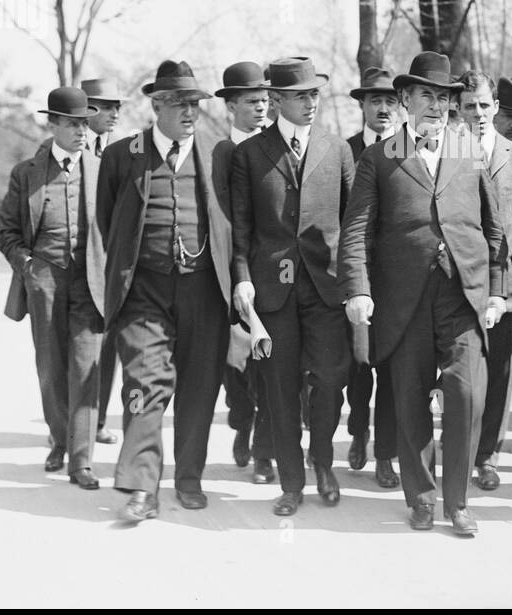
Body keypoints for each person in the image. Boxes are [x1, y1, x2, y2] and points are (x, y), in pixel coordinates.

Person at [339, 51, 506, 537]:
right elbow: (356, 232)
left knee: (466, 396)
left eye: (443, 97)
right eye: (426, 95)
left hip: (463, 296)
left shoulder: (469, 152)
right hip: (403, 301)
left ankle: (458, 501)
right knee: (410, 401)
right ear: (406, 100)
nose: (435, 105)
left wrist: (496, 292)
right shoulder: (379, 157)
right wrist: (358, 290)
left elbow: (495, 229)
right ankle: (422, 499)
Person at [97, 60, 232, 522]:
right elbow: (106, 219)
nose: (190, 111)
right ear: (156, 106)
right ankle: (142, 486)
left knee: (199, 386)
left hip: (205, 292)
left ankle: (189, 477)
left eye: (194, 103)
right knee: (144, 382)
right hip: (143, 292)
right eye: (178, 103)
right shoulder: (121, 156)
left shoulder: (221, 154)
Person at [230, 57, 355, 517]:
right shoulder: (250, 154)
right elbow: (241, 229)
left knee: (331, 379)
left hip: (327, 289)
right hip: (272, 293)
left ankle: (323, 461)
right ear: (277, 100)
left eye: (314, 94)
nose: (309, 103)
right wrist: (242, 280)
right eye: (300, 95)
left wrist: (355, 282)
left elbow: (352, 222)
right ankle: (292, 484)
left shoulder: (337, 149)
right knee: (279, 389)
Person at [0, 87, 106, 490]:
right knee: (51, 367)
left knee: (86, 367)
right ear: (53, 124)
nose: (81, 131)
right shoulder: (27, 173)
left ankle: (82, 460)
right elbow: (6, 230)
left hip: (90, 282)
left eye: (85, 124)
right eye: (73, 124)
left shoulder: (102, 167)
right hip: (45, 279)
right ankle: (59, 440)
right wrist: (27, 265)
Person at [458, 70, 512, 492]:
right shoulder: (444, 154)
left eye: (485, 105)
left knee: (502, 372)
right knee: (463, 372)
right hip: (462, 279)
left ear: (497, 108)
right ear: (458, 109)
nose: (479, 114)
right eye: (470, 106)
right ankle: (457, 449)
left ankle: (488, 457)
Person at [213, 61, 277, 485]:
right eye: (252, 101)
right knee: (234, 366)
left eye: (266, 100)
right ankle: (241, 421)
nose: (261, 108)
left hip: (272, 273)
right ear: (230, 106)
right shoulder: (217, 153)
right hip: (222, 274)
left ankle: (264, 453)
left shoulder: (278, 149)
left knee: (271, 363)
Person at [343, 66, 401, 489]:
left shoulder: (410, 152)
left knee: (394, 368)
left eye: (390, 101)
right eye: (375, 101)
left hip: (400, 278)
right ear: (362, 105)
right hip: (357, 276)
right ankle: (359, 430)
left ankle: (387, 453)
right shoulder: (342, 152)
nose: (383, 108)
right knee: (359, 364)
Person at [80, 76, 125, 447]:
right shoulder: (71, 149)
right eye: (105, 106)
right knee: (75, 350)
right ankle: (68, 425)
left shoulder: (128, 152)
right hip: (77, 265)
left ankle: (97, 422)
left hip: (114, 265)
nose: (113, 113)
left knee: (108, 347)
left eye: (117, 107)